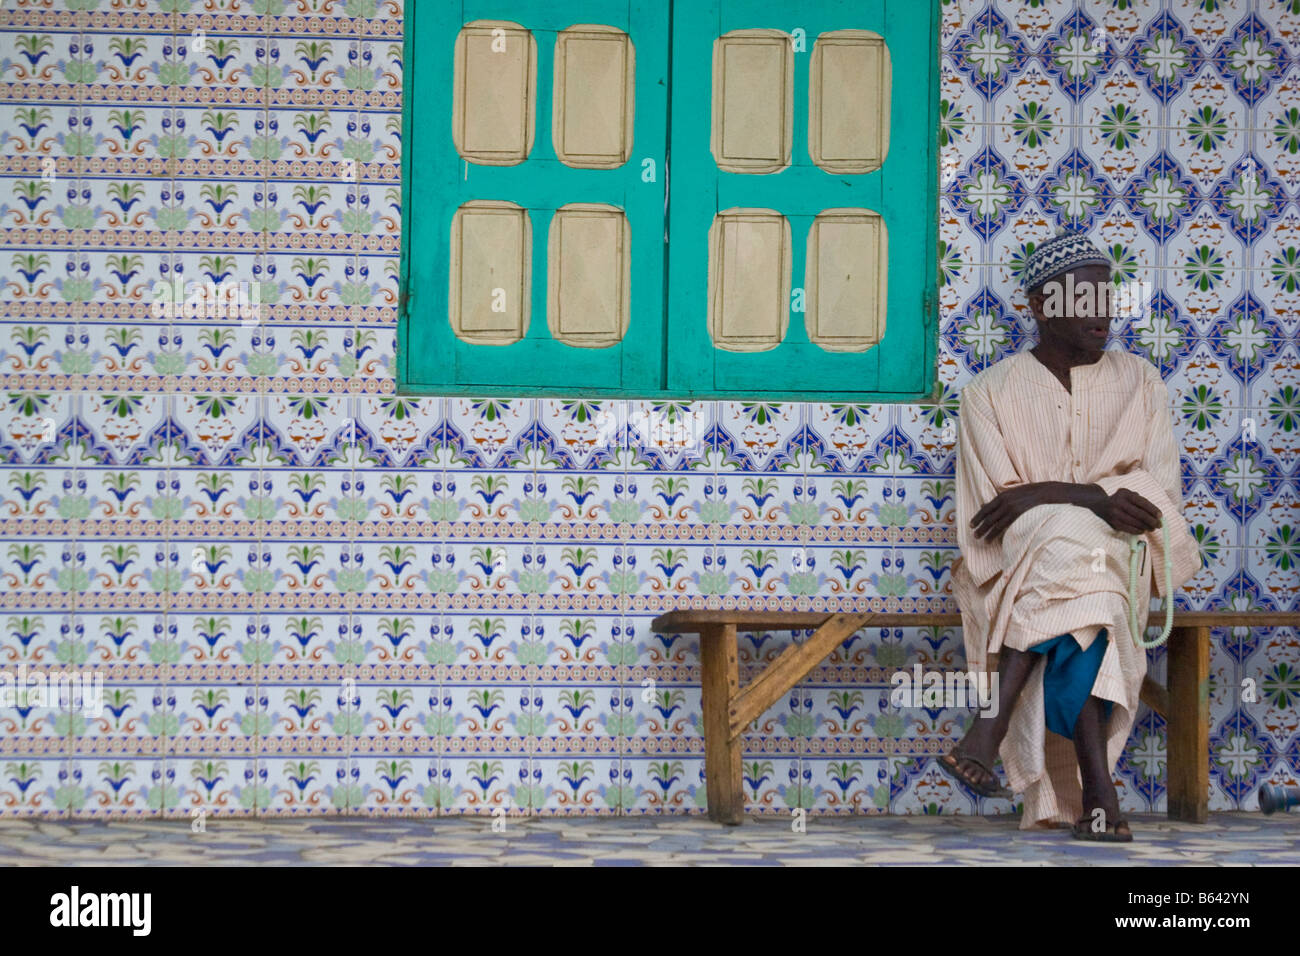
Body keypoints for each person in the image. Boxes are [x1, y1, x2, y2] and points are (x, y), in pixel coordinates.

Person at [943, 229, 1202, 841]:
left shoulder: (1139, 382)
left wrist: (1059, 494)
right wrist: (1089, 500)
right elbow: (995, 514)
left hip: (1117, 559)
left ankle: (989, 728)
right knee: (1080, 581)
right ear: (1038, 307)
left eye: (1108, 299)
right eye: (1082, 300)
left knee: (1073, 555)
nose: (1102, 313)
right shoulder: (990, 393)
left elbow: (1155, 497)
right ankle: (1100, 794)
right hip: (1024, 571)